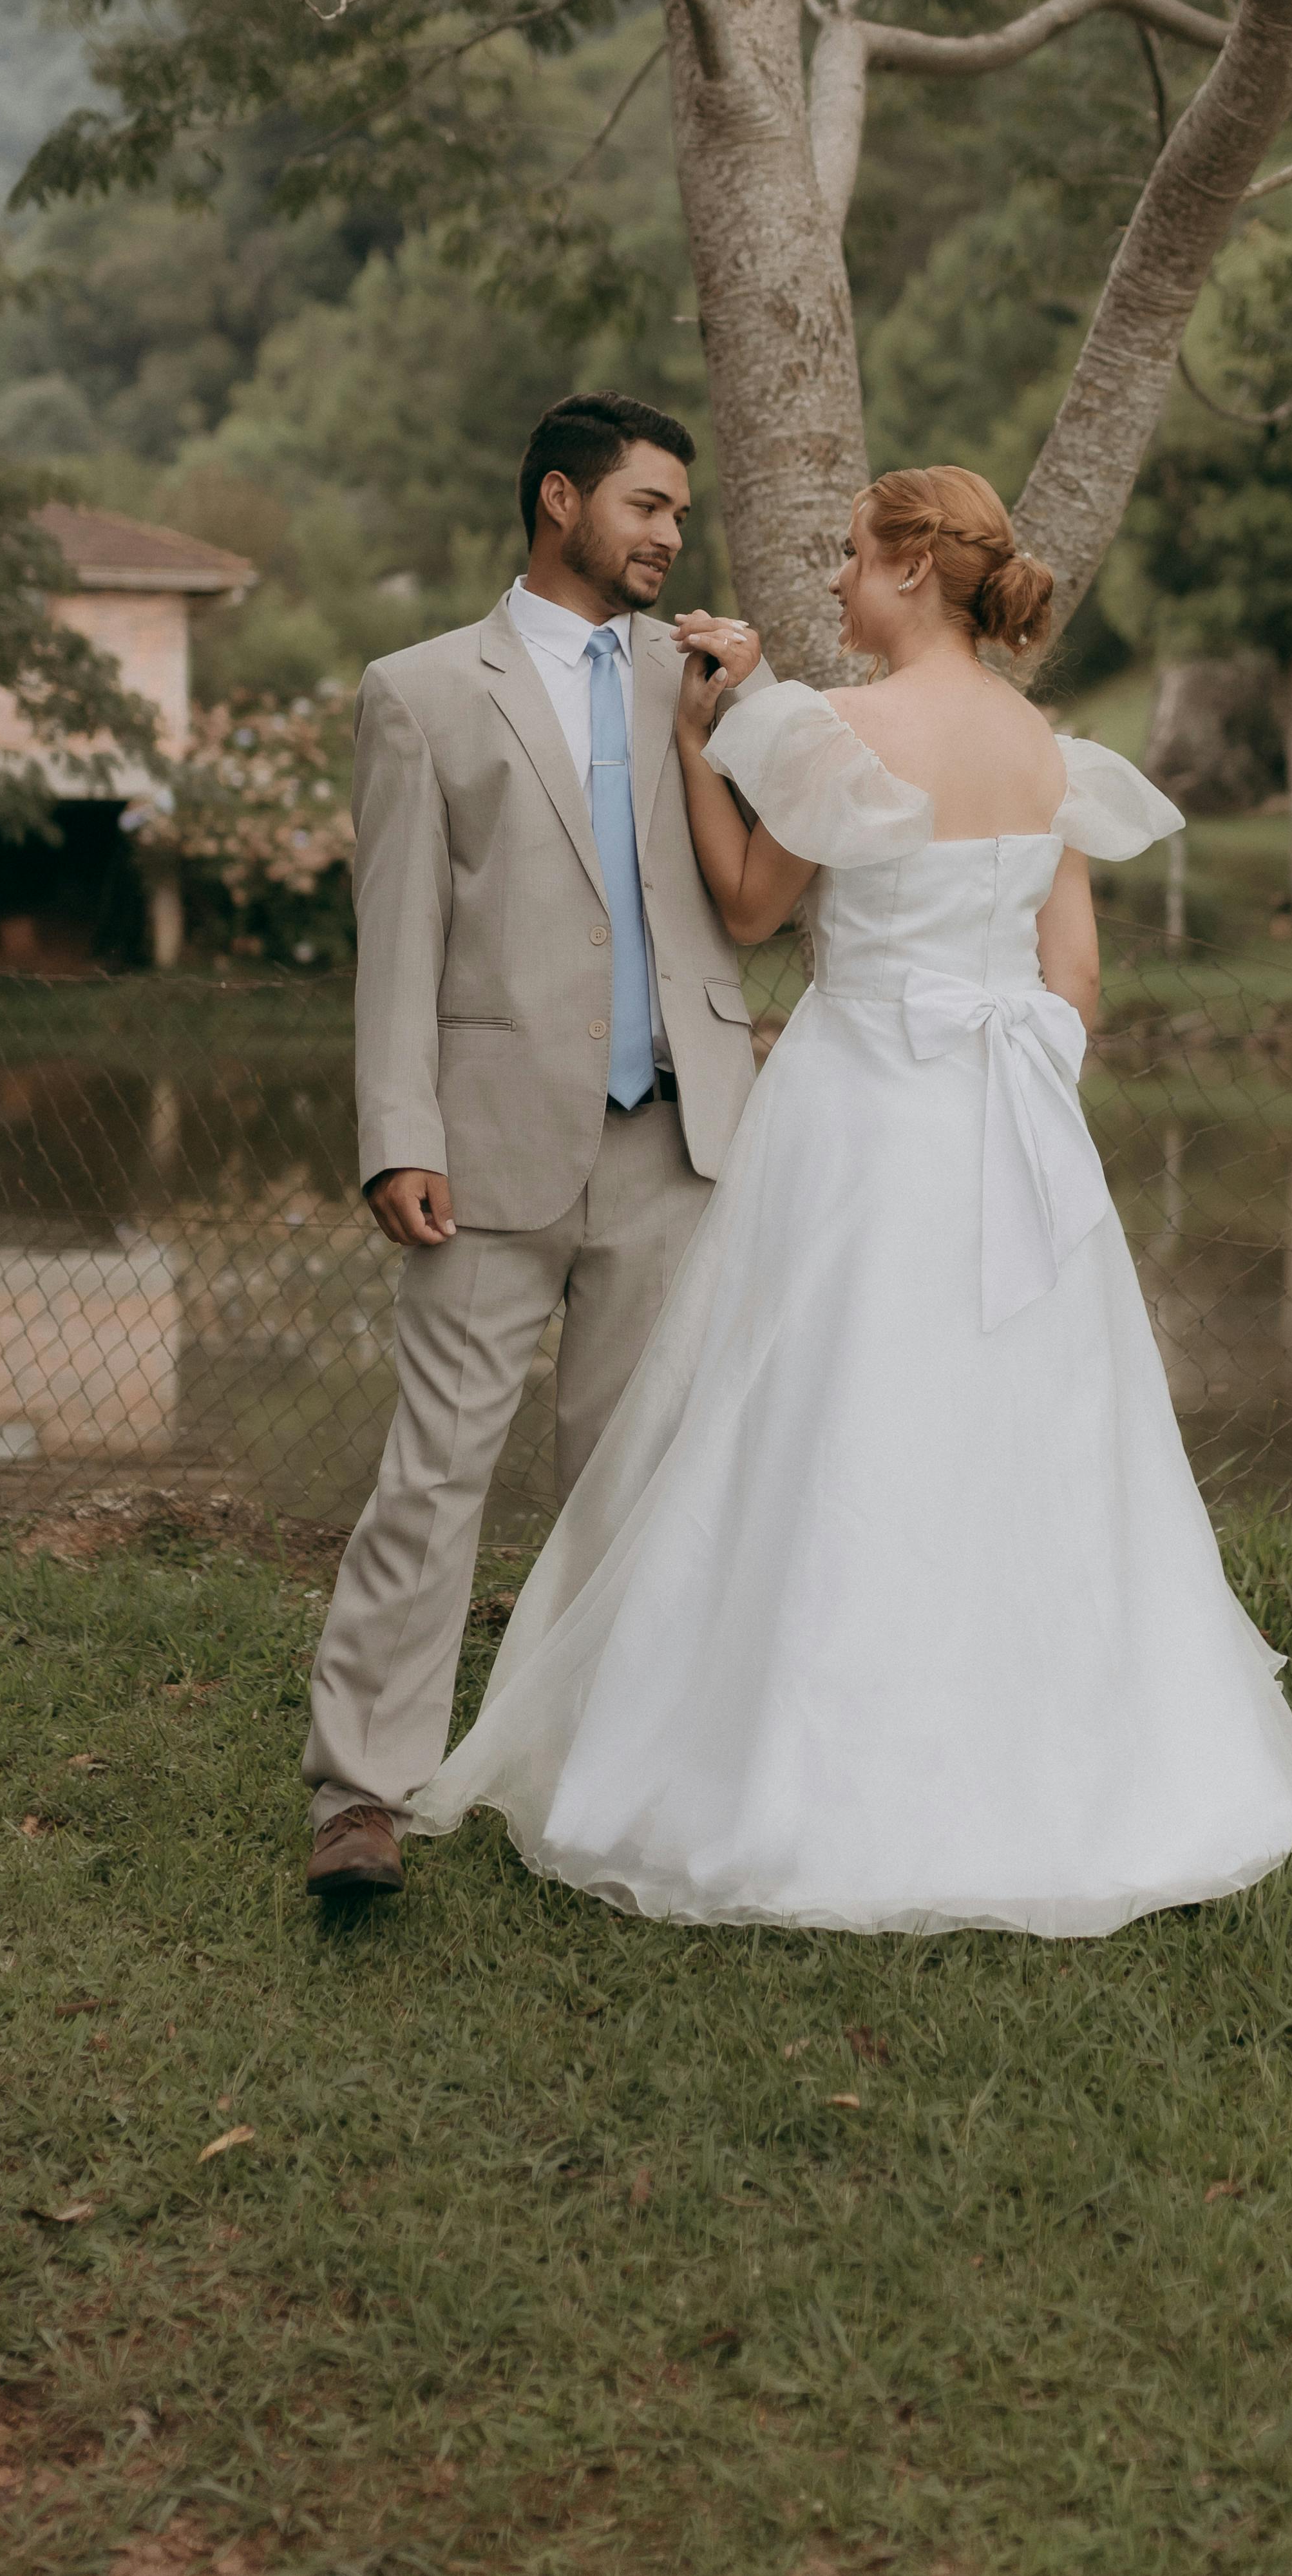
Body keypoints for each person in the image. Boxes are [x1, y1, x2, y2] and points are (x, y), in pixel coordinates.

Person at [406, 464, 1292, 1935]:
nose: (832, 583)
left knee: (821, 1414)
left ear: (909, 564)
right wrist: (1008, 1079)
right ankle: (1066, 1763)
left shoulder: (832, 732)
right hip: (1006, 1128)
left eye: (847, 556)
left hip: (853, 1114)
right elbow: (1071, 985)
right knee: (1019, 1429)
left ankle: (783, 1760)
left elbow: (752, 905)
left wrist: (706, 746)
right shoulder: (1041, 748)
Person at [302, 391, 768, 1898]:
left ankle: (607, 1783)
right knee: (433, 1474)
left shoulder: (700, 680)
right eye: (646, 506)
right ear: (559, 500)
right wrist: (396, 1135)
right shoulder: (423, 690)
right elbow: (398, 938)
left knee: (633, 1485)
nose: (668, 536)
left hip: (676, 1138)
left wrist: (748, 715)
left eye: (680, 516)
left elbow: (769, 881)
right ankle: (361, 1792)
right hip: (486, 1145)